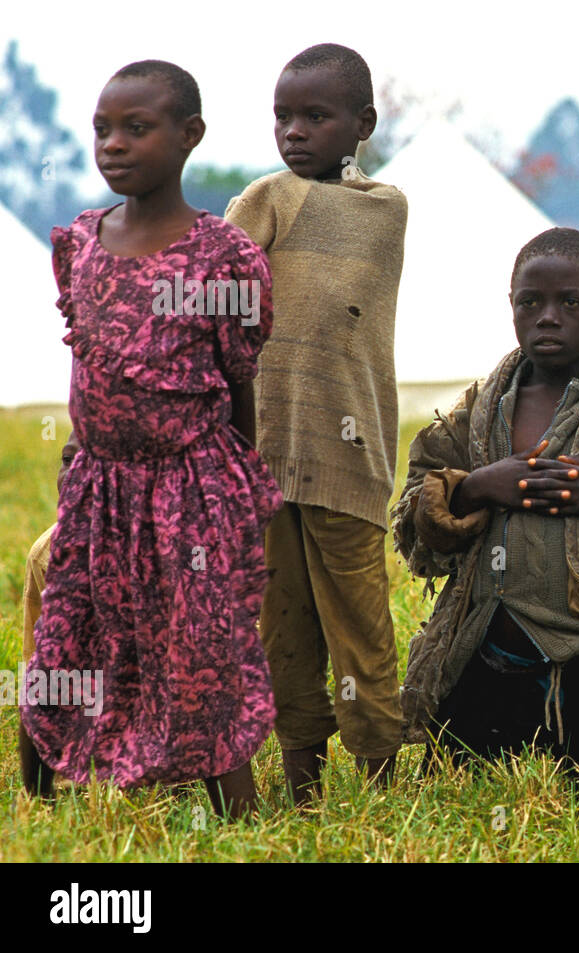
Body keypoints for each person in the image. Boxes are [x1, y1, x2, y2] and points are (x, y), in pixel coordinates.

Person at [20, 61, 279, 819]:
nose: (114, 144)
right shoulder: (83, 244)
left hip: (191, 489)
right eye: (104, 128)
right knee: (67, 634)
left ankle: (241, 815)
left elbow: (238, 381)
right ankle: (36, 798)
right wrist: (79, 458)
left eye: (137, 128)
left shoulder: (221, 256)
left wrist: (241, 485)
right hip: (100, 485)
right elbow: (87, 366)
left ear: (190, 135)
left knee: (200, 646)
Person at [393, 227, 579, 772]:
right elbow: (416, 530)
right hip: (487, 655)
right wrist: (475, 486)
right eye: (530, 302)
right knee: (456, 768)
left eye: (570, 302)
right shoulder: (477, 409)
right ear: (511, 306)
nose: (548, 316)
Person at [225, 43, 407, 805]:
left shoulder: (384, 208)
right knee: (284, 630)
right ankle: (304, 786)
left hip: (345, 453)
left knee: (360, 628)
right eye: (281, 117)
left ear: (361, 124)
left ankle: (379, 780)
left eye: (314, 116)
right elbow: (219, 277)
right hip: (266, 456)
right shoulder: (262, 198)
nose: (293, 132)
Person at [18, 431, 80, 797]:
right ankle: (41, 797)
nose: (72, 474)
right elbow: (34, 676)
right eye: (67, 460)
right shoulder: (47, 553)